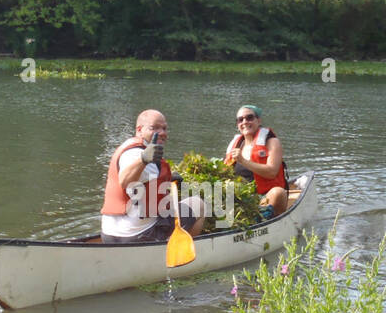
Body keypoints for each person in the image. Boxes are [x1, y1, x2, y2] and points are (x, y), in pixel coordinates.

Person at [101, 109, 206, 243]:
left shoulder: (129, 146)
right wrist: (143, 159)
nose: (162, 133)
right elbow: (125, 181)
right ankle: (181, 256)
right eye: (154, 128)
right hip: (137, 236)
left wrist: (167, 180)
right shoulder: (136, 154)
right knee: (199, 204)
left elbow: (144, 184)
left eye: (164, 128)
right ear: (139, 130)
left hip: (109, 234)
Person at [224, 104, 289, 218]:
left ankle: (264, 217)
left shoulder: (272, 142)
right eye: (240, 120)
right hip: (242, 197)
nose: (244, 122)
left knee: (278, 193)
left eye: (249, 118)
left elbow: (272, 172)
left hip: (266, 196)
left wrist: (243, 161)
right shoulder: (235, 145)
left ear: (258, 120)